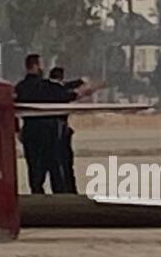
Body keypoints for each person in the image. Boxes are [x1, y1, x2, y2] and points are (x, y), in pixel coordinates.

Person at [47, 66, 101, 194]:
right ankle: (68, 189)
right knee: (64, 162)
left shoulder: (47, 86)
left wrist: (80, 81)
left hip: (50, 131)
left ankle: (61, 188)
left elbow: (66, 85)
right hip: (58, 130)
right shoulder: (57, 90)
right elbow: (69, 94)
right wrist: (85, 91)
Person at [13, 55, 55, 194]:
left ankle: (36, 191)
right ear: (36, 66)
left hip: (29, 130)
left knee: (33, 164)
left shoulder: (19, 87)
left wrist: (17, 129)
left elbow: (12, 109)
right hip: (46, 130)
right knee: (47, 162)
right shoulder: (45, 86)